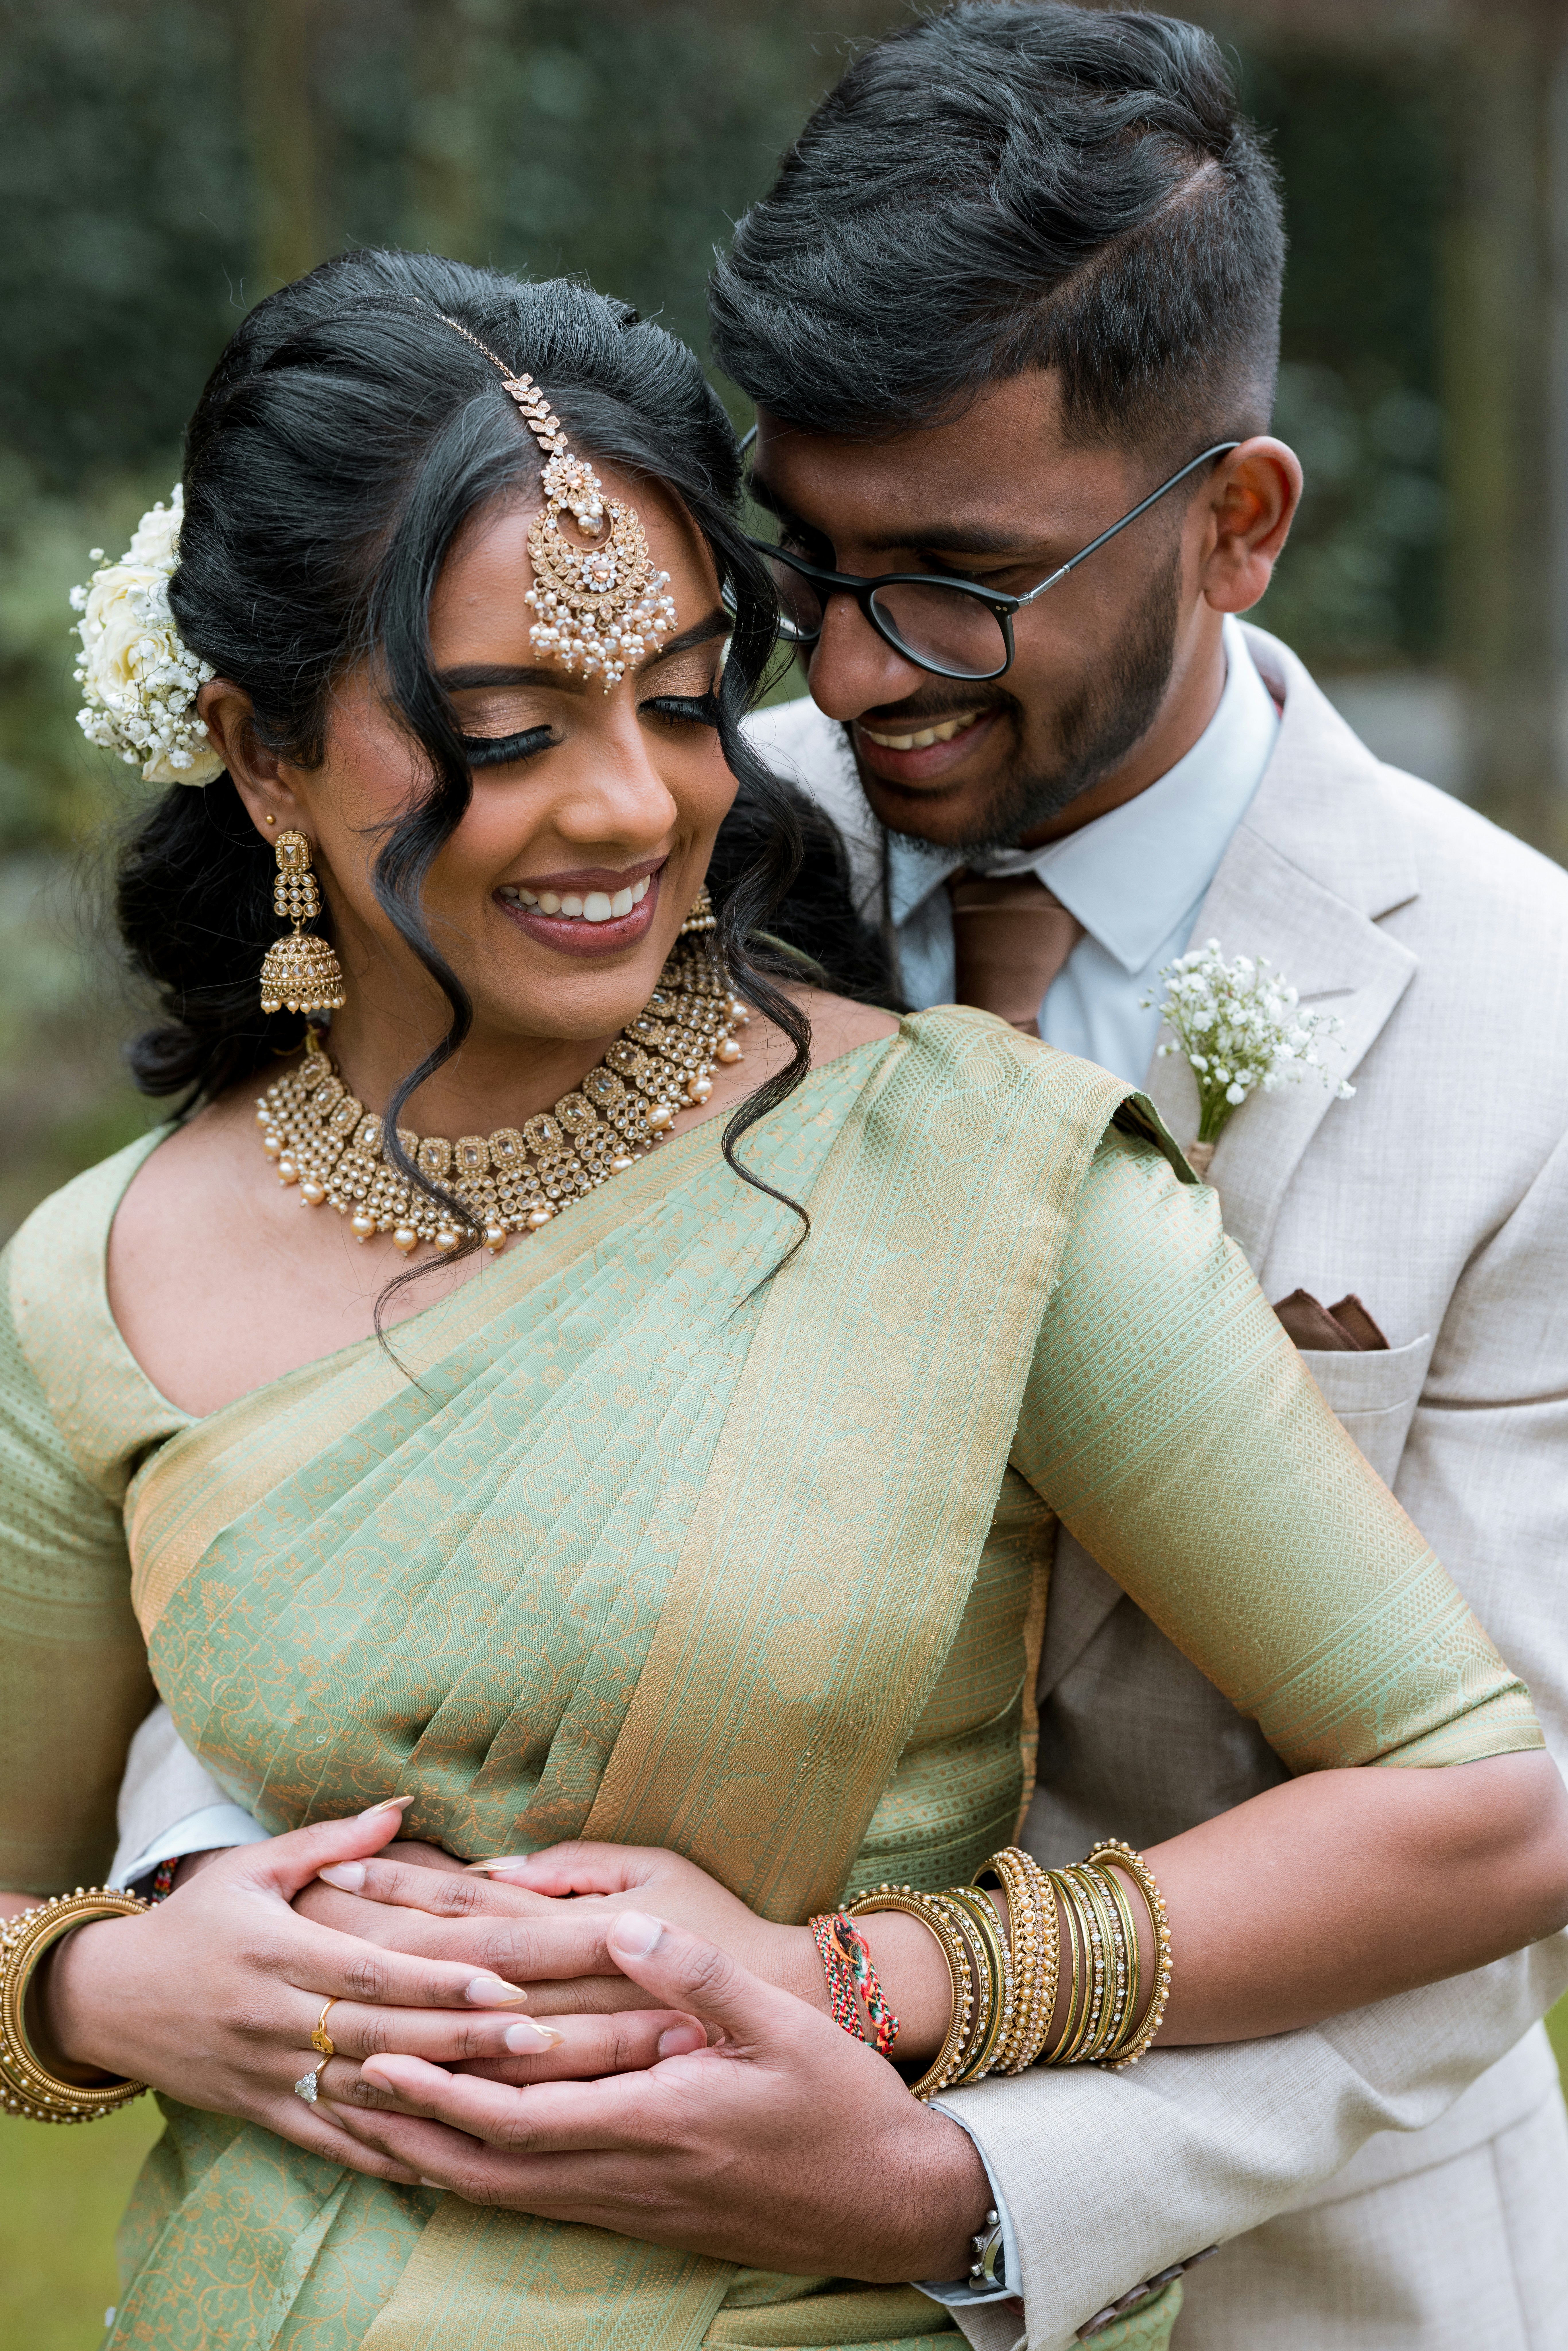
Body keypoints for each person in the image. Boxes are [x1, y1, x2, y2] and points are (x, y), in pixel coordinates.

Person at [3, 245, 1564, 2351]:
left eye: (669, 701)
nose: (630, 805)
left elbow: (1481, 1801)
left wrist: (874, 1984)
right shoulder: (93, 1274)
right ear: (260, 756)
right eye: (506, 728)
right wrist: (99, 1983)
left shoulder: (978, 1172)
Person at [703, 4, 1568, 2345]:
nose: (863, 678)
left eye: (958, 576)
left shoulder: (1525, 1023)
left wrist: (946, 2173)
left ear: (1237, 525)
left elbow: (1505, 1843)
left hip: (1330, 2278)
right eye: (811, 562)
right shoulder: (654, 857)